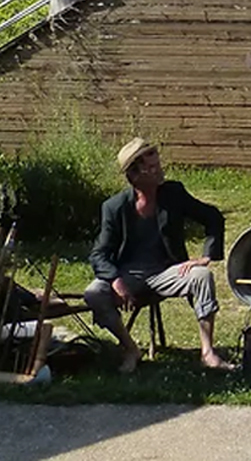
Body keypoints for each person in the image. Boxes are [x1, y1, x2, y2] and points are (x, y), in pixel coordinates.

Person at [85, 137, 233, 373]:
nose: (159, 171)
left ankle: (207, 353)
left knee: (202, 276)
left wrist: (207, 255)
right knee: (93, 293)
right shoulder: (114, 207)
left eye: (158, 164)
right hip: (129, 274)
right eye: (152, 168)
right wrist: (116, 280)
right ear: (135, 175)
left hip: (167, 271)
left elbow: (213, 217)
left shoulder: (173, 194)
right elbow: (98, 254)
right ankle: (130, 349)